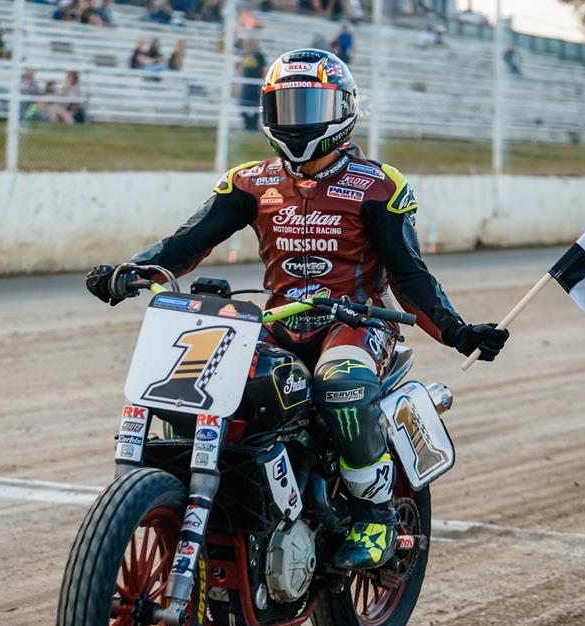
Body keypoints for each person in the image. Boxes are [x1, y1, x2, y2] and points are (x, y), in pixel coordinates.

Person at [85, 49, 508, 571]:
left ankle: (375, 515)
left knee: (341, 380)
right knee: (199, 381)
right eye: (284, 106)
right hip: (275, 322)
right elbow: (187, 242)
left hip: (358, 323)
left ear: (343, 109)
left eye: (309, 106)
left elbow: (410, 276)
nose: (296, 119)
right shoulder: (248, 181)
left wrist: (458, 332)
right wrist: (133, 271)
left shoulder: (380, 185)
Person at [237, 39, 265, 131]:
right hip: (246, 85)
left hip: (255, 84)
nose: (249, 46)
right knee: (243, 104)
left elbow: (262, 70)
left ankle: (253, 125)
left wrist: (261, 84)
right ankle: (247, 124)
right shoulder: (244, 55)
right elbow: (240, 69)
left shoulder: (259, 56)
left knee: (256, 106)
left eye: (251, 44)